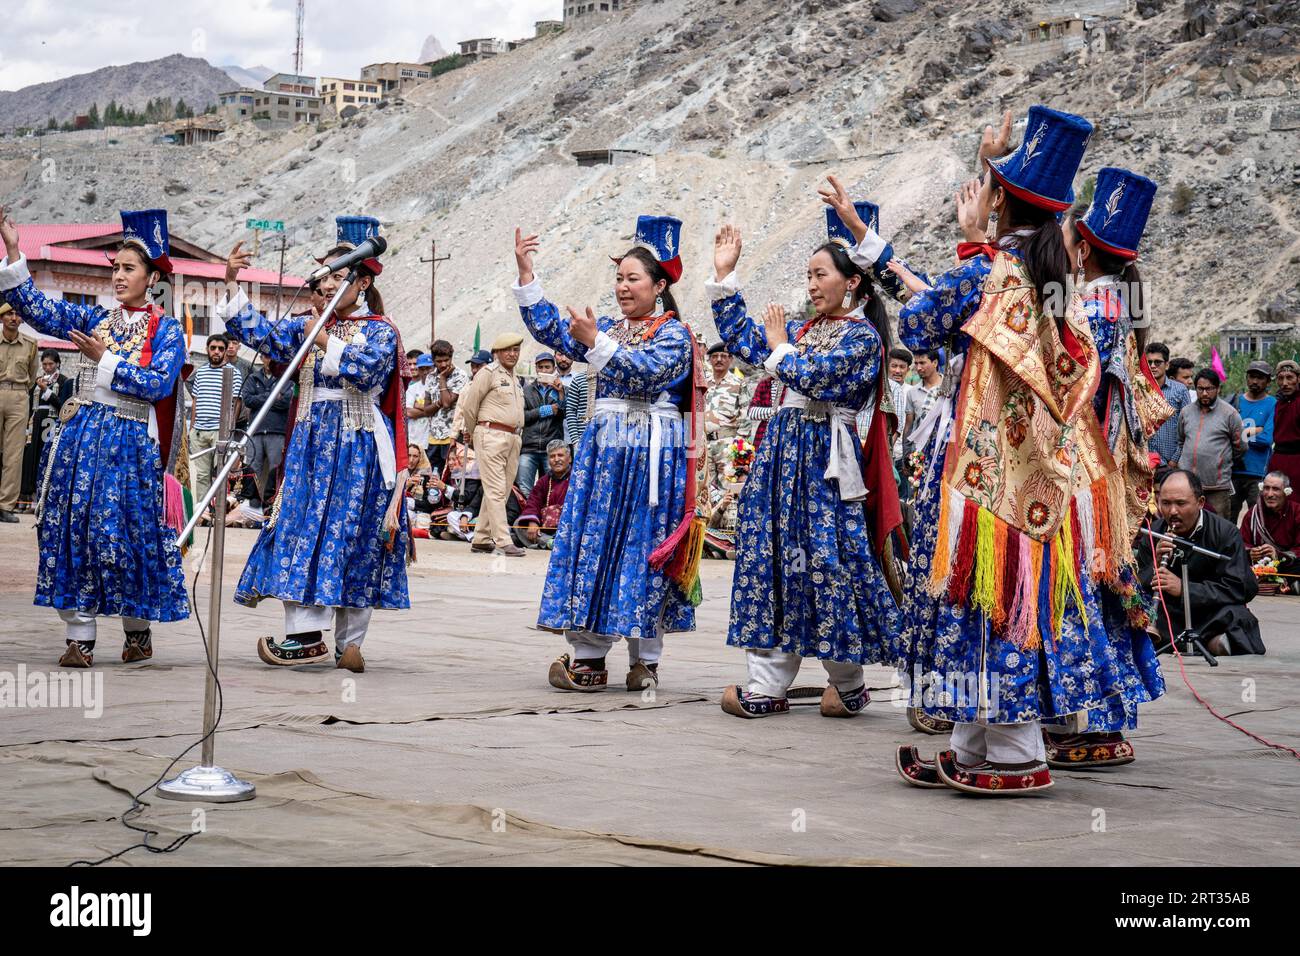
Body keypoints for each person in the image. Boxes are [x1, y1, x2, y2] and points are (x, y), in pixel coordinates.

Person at [889, 106, 1142, 795]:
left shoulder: (987, 273)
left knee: (991, 602)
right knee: (1001, 602)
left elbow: (918, 322)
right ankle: (976, 744)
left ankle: (1015, 752)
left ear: (998, 203)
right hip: (1038, 475)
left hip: (986, 476)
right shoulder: (1062, 284)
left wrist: (970, 244)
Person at [709, 182, 904, 720]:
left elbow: (813, 377)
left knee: (828, 563)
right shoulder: (801, 330)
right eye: (809, 275)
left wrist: (779, 350)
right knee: (775, 557)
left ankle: (848, 679)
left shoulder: (863, 339)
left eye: (822, 275)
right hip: (781, 462)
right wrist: (726, 277)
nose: (812, 285)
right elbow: (750, 343)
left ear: (854, 282)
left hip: (825, 468)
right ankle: (767, 682)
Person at [513, 214, 702, 693]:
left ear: (659, 286)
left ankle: (646, 661)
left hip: (649, 453)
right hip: (604, 450)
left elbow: (647, 372)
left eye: (632, 278)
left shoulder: (675, 334)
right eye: (618, 278)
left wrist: (594, 340)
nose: (622, 287)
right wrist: (527, 275)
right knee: (594, 541)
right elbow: (555, 329)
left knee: (643, 546)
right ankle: (590, 655)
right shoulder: (612, 329)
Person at [218, 215, 412, 672]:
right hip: (308, 447)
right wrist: (232, 282)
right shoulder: (303, 325)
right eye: (324, 275)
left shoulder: (381, 330)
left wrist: (323, 338)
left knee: (351, 535)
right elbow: (258, 333)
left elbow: (366, 373)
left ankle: (351, 641)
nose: (327, 285)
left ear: (362, 282)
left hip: (357, 447)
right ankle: (304, 634)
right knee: (299, 528)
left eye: (338, 276)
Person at [1, 205, 189, 666]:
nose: (119, 277)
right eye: (115, 268)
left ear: (151, 277)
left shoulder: (167, 330)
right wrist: (13, 249)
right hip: (82, 440)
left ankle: (137, 630)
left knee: (123, 533)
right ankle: (79, 638)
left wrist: (107, 360)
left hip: (129, 444)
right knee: (72, 529)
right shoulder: (95, 319)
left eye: (129, 268)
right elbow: (40, 310)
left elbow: (158, 384)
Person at [1046, 167, 1173, 769]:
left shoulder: (1090, 308)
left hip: (1080, 475)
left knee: (1083, 592)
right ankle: (1095, 717)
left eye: (1070, 243)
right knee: (1099, 587)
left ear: (1086, 248)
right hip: (1101, 476)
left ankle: (1094, 720)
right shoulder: (1117, 305)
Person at [1136, 469, 1264, 656]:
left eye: (1181, 503)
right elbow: (1137, 583)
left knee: (1238, 616)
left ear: (1200, 503)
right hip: (1170, 614)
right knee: (1131, 612)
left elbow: (1240, 588)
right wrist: (1155, 563)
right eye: (1165, 503)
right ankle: (1206, 644)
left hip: (1208, 613)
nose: (1172, 511)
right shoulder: (1154, 532)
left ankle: (1202, 642)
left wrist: (1184, 589)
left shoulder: (1225, 533)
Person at [458, 332, 524, 555]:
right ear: (497, 353)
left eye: (516, 350)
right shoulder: (488, 372)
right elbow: (470, 406)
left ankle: (481, 537)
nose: (512, 354)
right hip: (491, 432)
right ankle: (503, 540)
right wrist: (472, 432)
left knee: (501, 490)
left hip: (513, 437)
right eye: (508, 350)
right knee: (496, 489)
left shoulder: (515, 377)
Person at [1178, 368, 1244, 518]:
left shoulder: (1230, 414)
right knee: (1188, 525)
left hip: (1218, 488)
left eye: (1209, 388)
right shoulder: (1186, 412)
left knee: (1217, 529)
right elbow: (1181, 441)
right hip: (1189, 486)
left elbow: (1240, 447)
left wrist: (1220, 463)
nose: (1205, 393)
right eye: (1200, 389)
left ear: (1218, 388)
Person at [188, 332, 244, 505]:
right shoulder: (201, 372)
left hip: (220, 431)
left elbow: (236, 403)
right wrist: (192, 427)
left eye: (221, 349)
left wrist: (229, 428)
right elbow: (195, 400)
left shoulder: (233, 373)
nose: (216, 352)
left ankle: (218, 512)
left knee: (220, 473)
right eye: (213, 348)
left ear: (226, 351)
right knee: (202, 475)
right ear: (207, 349)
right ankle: (203, 511)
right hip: (199, 431)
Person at [0, 300, 38, 521]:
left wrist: (20, 393)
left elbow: (32, 377)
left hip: (18, 396)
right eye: (9, 314)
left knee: (14, 454)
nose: (14, 318)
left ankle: (5, 505)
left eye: (17, 314)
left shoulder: (31, 344)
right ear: (1, 318)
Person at [239, 350, 291, 507]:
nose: (269, 360)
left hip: (277, 430)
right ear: (261, 358)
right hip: (256, 431)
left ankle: (271, 506)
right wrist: (272, 396)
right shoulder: (252, 377)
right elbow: (247, 400)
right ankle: (250, 506)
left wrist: (261, 397)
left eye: (273, 356)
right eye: (267, 356)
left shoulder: (287, 378)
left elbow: (286, 401)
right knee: (252, 468)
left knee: (276, 468)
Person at [22, 348, 71, 503]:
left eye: (51, 364)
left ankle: (43, 497)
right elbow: (30, 404)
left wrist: (46, 391)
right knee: (30, 457)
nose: (48, 367)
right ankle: (27, 495)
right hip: (35, 423)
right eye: (44, 364)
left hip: (51, 423)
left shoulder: (64, 381)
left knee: (46, 457)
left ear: (57, 363)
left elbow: (63, 405)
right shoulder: (37, 381)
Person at [1230, 360, 1277, 521]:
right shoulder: (1234, 402)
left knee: (1258, 519)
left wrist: (1240, 434)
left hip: (1257, 474)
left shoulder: (1273, 404)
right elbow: (1226, 436)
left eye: (1260, 378)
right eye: (1252, 376)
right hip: (1232, 472)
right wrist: (1256, 430)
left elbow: (1266, 439)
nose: (1255, 381)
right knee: (1228, 520)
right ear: (1246, 378)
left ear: (1268, 381)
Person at [1242, 470, 1300, 591]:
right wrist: (1251, 552)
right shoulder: (1253, 513)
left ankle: (1286, 583)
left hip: (1289, 565)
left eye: (1276, 489)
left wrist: (1277, 555)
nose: (1270, 494)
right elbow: (1242, 542)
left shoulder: (1296, 512)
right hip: (1260, 565)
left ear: (1286, 492)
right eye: (1266, 488)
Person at [519, 351, 565, 496]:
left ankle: (547, 517)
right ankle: (527, 517)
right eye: (541, 367)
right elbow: (522, 417)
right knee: (524, 489)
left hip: (551, 449)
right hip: (528, 447)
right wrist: (546, 410)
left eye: (547, 367)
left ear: (554, 369)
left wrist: (561, 394)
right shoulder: (526, 391)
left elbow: (564, 414)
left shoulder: (561, 390)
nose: (544, 370)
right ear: (536, 368)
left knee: (552, 489)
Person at [517, 439, 572, 549]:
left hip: (568, 526)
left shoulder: (578, 478)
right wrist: (533, 521)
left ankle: (542, 542)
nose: (556, 460)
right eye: (552, 456)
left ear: (569, 458)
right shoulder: (544, 481)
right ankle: (550, 542)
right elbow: (533, 502)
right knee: (519, 523)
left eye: (560, 455)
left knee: (514, 536)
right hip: (545, 526)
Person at [1144, 341, 1190, 471]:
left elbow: (1187, 427)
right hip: (1143, 462)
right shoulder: (1138, 389)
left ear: (1167, 365)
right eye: (1149, 362)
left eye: (1157, 362)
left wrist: (1174, 460)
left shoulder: (1180, 390)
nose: (1153, 366)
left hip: (1169, 463)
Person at [426, 340, 469, 472]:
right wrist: (439, 402)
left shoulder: (460, 376)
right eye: (439, 361)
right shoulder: (430, 377)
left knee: (452, 474)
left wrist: (443, 379)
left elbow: (446, 403)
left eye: (446, 360)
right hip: (434, 436)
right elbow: (427, 410)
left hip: (452, 436)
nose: (444, 364)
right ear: (433, 360)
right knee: (433, 475)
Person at [1269, 359, 1300, 491]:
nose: (1285, 383)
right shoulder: (1278, 404)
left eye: (1289, 377)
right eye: (1280, 378)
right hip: (1278, 459)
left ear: (1298, 379)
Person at [404, 353, 436, 460]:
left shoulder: (438, 388)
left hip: (432, 439)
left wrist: (418, 406)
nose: (426, 372)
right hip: (415, 439)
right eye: (422, 369)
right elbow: (408, 412)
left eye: (428, 368)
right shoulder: (413, 389)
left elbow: (442, 406)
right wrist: (431, 410)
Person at [562, 367, 589, 451]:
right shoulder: (579, 379)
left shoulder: (613, 380)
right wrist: (576, 441)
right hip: (582, 438)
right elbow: (570, 410)